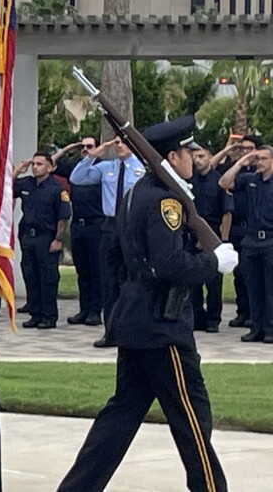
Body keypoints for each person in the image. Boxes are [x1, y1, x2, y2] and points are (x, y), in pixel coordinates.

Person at [57, 116, 236, 492]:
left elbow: (117, 259)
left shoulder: (138, 192)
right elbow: (170, 264)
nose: (193, 156)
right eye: (188, 150)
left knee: (121, 416)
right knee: (192, 418)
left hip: (137, 317)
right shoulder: (165, 201)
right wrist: (213, 263)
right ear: (172, 155)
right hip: (162, 324)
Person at [70, 136, 146, 348]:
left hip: (132, 225)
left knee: (134, 280)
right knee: (109, 282)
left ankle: (134, 330)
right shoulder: (106, 167)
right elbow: (77, 178)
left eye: (124, 141)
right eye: (117, 142)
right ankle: (111, 332)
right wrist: (93, 155)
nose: (120, 145)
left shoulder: (142, 168)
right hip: (110, 226)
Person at [219, 144, 273, 344]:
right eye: (257, 159)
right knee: (253, 286)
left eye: (264, 159)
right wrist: (242, 162)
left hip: (270, 238)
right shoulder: (250, 180)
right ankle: (256, 327)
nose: (259, 162)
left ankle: (270, 328)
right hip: (251, 240)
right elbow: (224, 182)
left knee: (270, 288)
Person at [12, 152, 71, 329]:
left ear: (50, 167)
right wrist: (19, 170)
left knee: (48, 278)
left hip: (47, 237)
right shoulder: (27, 183)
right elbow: (6, 187)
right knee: (31, 276)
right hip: (28, 237)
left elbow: (63, 217)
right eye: (34, 164)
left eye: (40, 164)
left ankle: (48, 316)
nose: (35, 167)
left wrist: (58, 239)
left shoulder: (56, 189)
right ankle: (35, 314)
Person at [53, 136, 107, 326]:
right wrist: (69, 147)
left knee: (96, 270)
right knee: (82, 270)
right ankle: (84, 309)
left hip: (97, 224)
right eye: (83, 146)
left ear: (98, 148)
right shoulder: (76, 168)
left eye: (90, 146)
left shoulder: (103, 168)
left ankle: (95, 310)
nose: (85, 149)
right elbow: (52, 163)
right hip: (78, 225)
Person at [217, 135, 262, 328]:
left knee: (252, 274)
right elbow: (222, 179)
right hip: (237, 227)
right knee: (239, 274)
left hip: (255, 228)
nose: (246, 152)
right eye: (242, 149)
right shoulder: (237, 171)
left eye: (250, 148)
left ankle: (256, 314)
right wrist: (232, 155)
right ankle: (243, 312)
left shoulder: (262, 172)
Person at [189, 145, 232, 333]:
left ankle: (213, 319)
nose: (197, 160)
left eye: (201, 156)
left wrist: (223, 240)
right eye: (194, 156)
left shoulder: (219, 182)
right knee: (193, 278)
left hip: (213, 233)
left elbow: (226, 213)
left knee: (214, 280)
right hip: (192, 232)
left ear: (210, 157)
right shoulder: (190, 181)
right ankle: (197, 316)